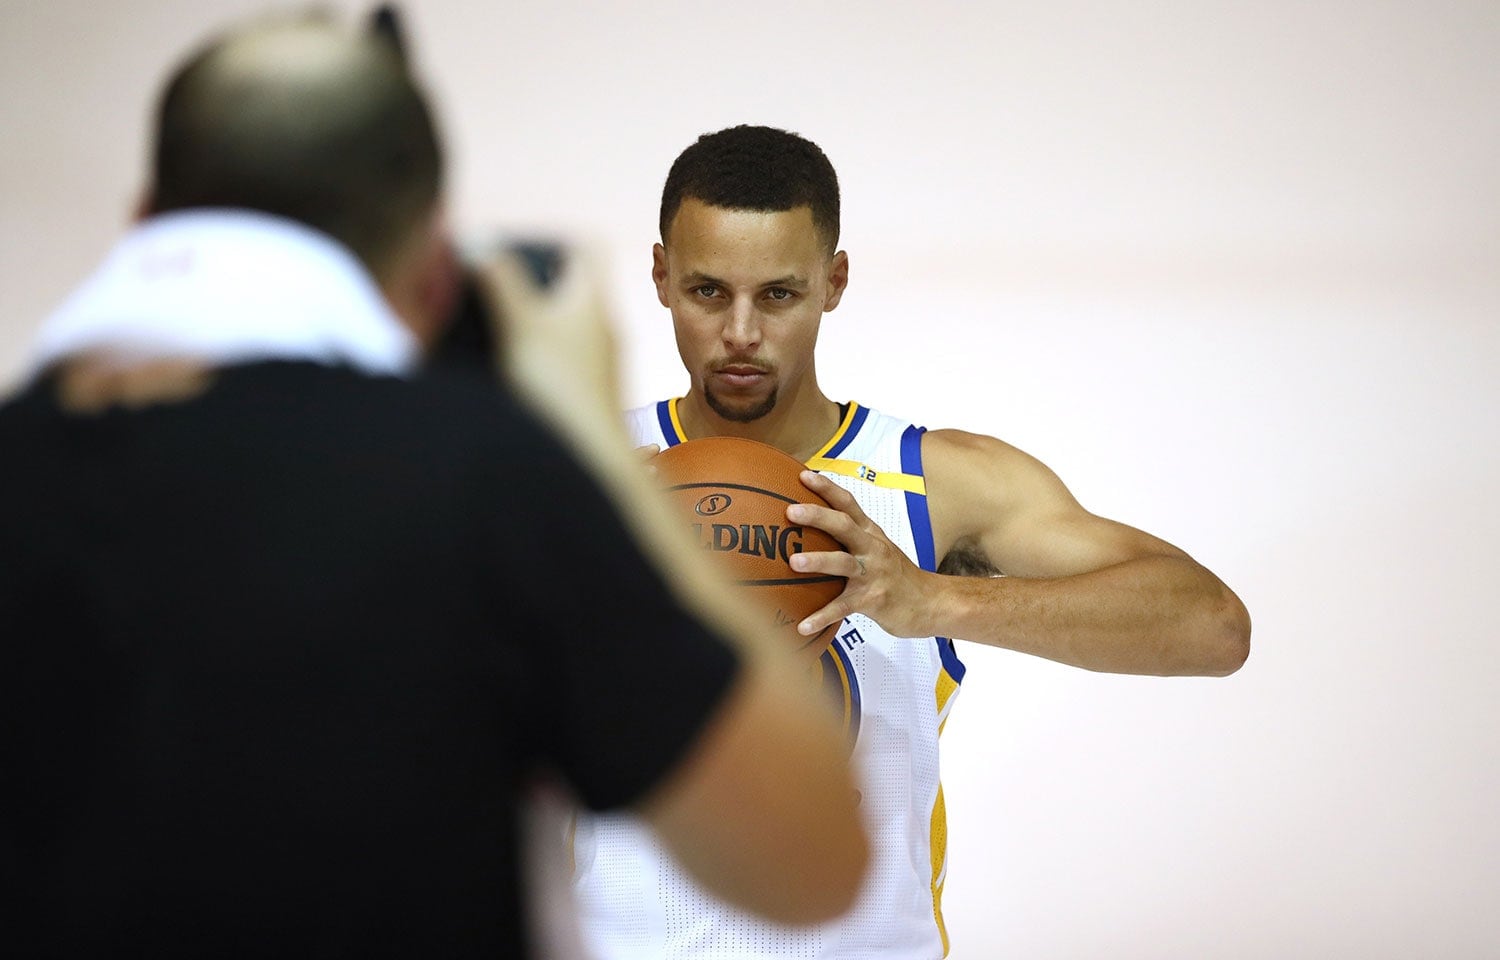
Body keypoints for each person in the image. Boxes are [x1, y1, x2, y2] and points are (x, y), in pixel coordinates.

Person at [0, 23, 867, 958]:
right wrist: (595, 455)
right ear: (432, 266)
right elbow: (810, 862)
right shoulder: (489, 479)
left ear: (143, 218)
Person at [572, 124, 1252, 959]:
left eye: (779, 294)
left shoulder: (935, 483)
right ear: (660, 277)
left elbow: (1213, 626)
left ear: (835, 281)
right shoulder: (576, 476)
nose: (742, 332)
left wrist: (930, 596)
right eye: (709, 292)